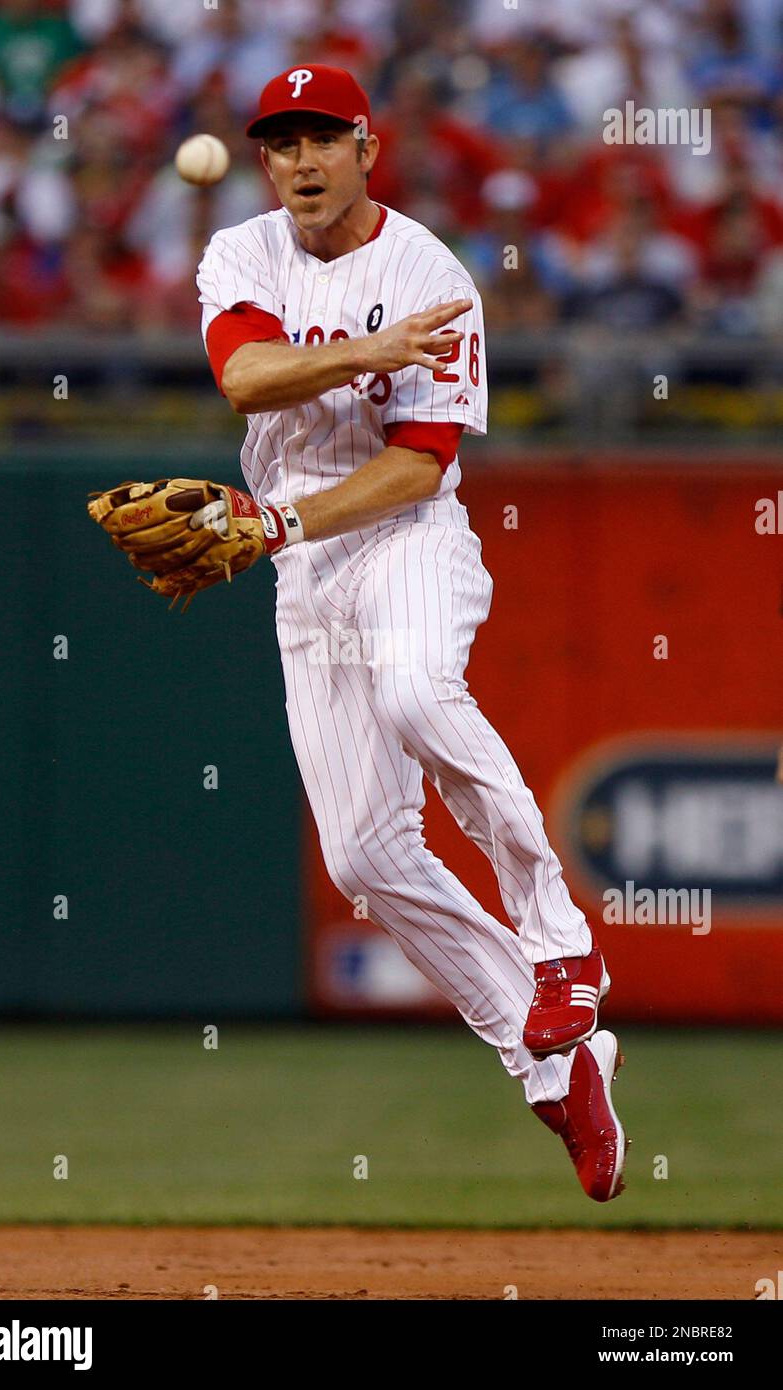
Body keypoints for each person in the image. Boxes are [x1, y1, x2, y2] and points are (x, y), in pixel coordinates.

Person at [196, 64, 627, 1201]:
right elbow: (245, 377)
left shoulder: (429, 275)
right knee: (362, 856)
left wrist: (276, 512)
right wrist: (356, 361)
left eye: (319, 139)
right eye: (278, 142)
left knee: (418, 695)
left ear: (365, 148)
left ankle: (558, 938)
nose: (298, 161)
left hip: (407, 537)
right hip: (302, 568)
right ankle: (552, 1059)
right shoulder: (239, 254)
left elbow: (416, 465)